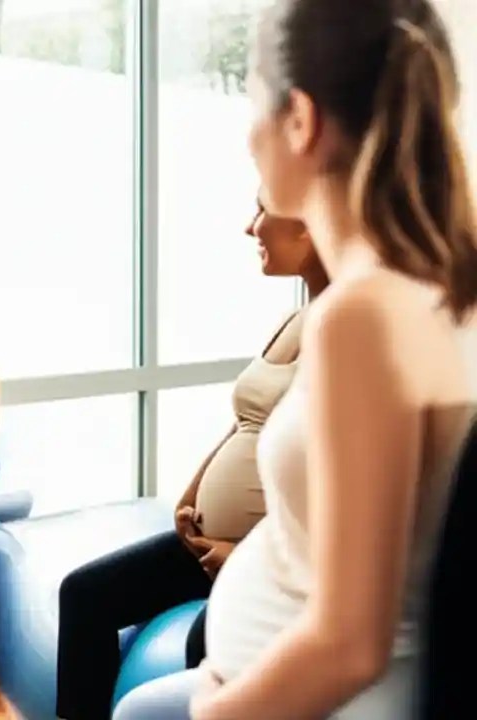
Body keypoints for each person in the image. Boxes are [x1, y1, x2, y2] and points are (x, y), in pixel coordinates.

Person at [114, 1, 477, 718]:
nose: (250, 136)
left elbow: (352, 641)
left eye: (252, 102)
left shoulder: (364, 313)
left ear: (301, 120)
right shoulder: (437, 290)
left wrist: (215, 712)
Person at [55, 201, 329, 719]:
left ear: (310, 224)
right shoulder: (297, 316)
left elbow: (331, 478)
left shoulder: (349, 333)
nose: (250, 225)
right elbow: (246, 421)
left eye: (263, 210)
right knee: (84, 595)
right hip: (207, 545)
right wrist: (190, 494)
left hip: (270, 562)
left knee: (206, 636)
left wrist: (248, 557)